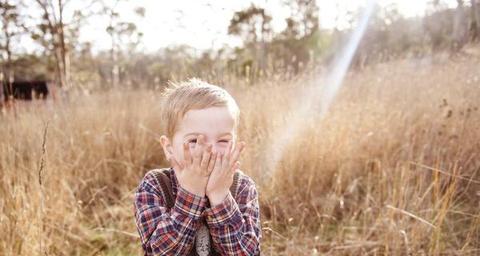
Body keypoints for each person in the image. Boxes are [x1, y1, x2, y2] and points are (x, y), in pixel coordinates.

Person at [134, 78, 261, 255]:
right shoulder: (155, 185)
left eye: (223, 140)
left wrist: (220, 196)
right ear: (169, 148)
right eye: (194, 140)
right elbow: (161, 252)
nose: (211, 151)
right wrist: (191, 193)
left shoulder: (242, 186)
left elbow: (246, 252)